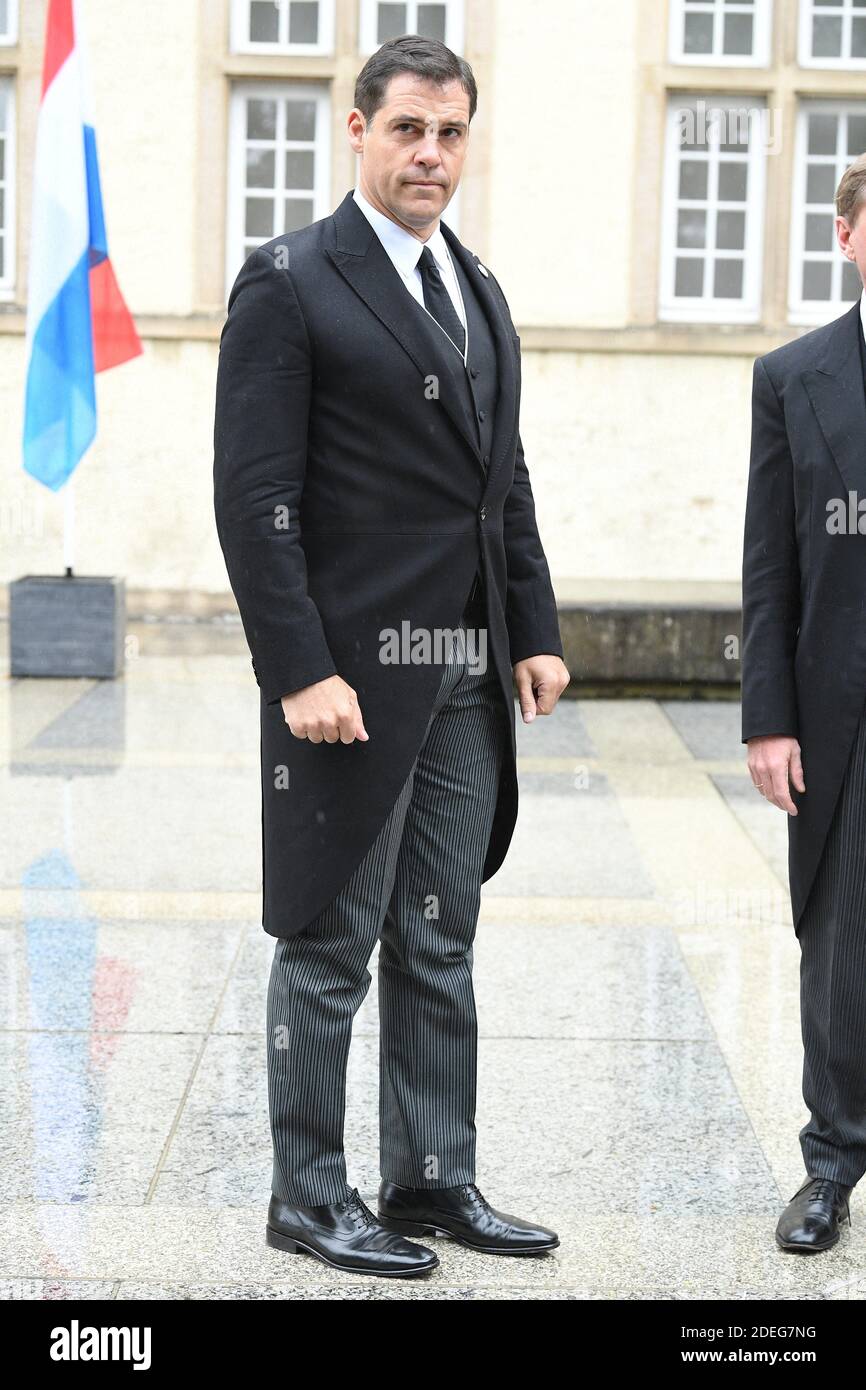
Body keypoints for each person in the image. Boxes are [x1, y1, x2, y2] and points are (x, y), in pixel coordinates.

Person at [213, 34, 570, 1278]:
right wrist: (297, 669)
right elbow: (255, 499)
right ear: (354, 129)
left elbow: (499, 476)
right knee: (328, 941)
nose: (430, 153)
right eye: (408, 127)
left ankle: (428, 1179)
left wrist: (530, 627)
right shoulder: (290, 281)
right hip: (349, 687)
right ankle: (306, 1195)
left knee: (440, 932)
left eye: (451, 132)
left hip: (466, 675)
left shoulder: (475, 287)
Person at [742, 152, 866, 1254]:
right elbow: (769, 566)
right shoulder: (790, 377)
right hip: (843, 713)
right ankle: (829, 1164)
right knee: (838, 951)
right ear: (845, 234)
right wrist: (767, 716)